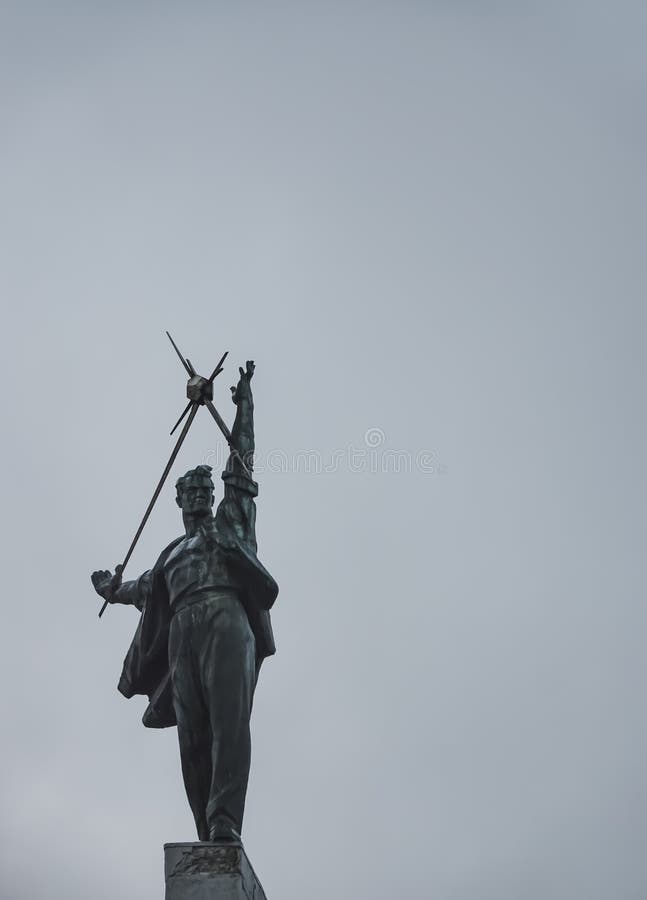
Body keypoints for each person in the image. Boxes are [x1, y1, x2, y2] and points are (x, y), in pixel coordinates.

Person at [91, 360, 278, 842]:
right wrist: (112, 588)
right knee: (192, 736)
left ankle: (225, 820)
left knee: (228, 725)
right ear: (179, 501)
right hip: (182, 634)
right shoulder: (171, 556)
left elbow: (242, 463)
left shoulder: (230, 526)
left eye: (203, 489)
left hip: (226, 619)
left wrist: (244, 406)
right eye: (189, 491)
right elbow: (141, 591)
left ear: (212, 494)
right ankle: (207, 828)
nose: (197, 495)